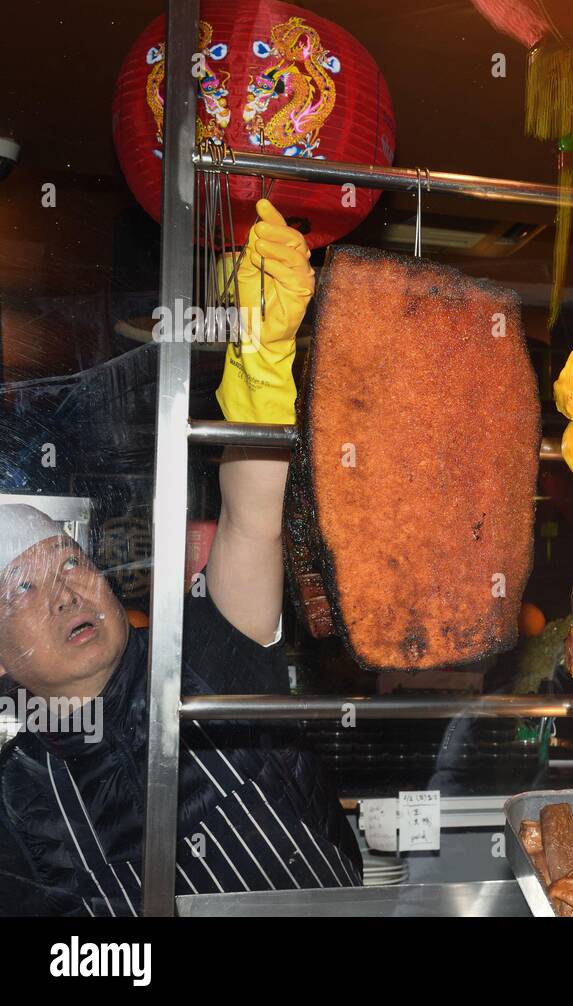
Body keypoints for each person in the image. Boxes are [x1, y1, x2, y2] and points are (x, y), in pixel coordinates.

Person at [0, 200, 360, 916]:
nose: (67, 594)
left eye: (70, 563)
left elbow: (253, 519)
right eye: (23, 590)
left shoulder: (196, 648)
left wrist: (261, 364)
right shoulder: (16, 806)